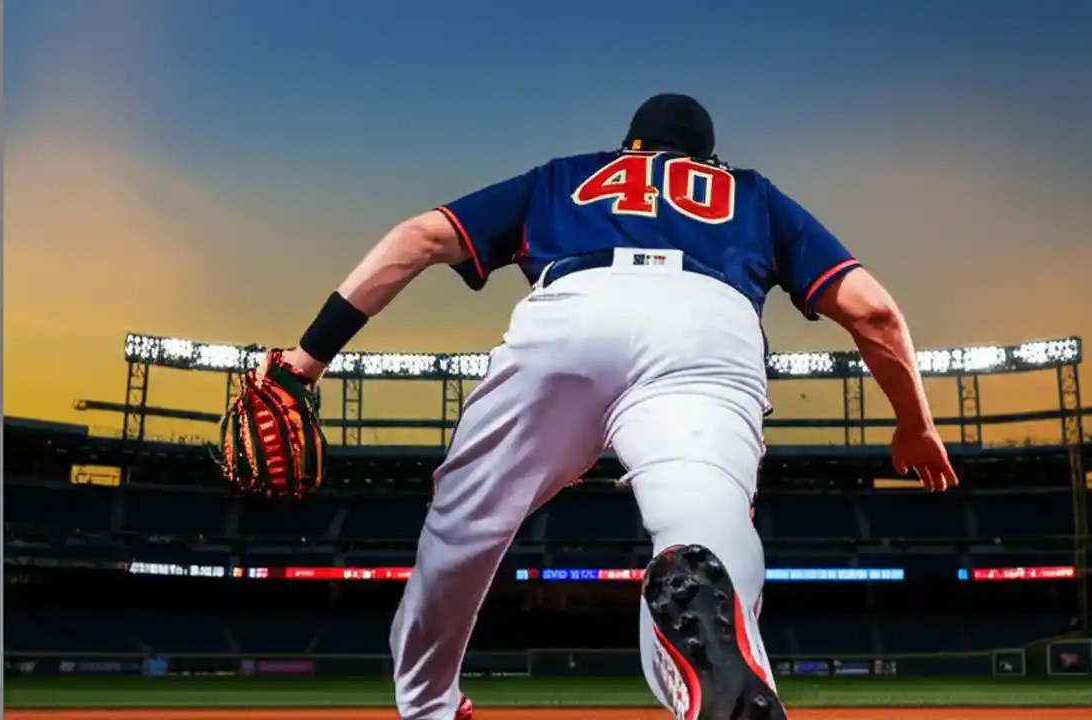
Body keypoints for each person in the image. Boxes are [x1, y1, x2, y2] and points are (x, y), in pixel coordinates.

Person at [276, 94, 957, 720]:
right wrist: (915, 424)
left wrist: (308, 358)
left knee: (463, 524)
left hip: (572, 311)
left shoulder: (564, 176)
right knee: (706, 519)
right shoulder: (751, 195)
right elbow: (873, 313)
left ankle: (428, 703)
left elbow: (417, 238)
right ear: (707, 159)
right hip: (705, 327)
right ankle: (712, 652)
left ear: (631, 149)